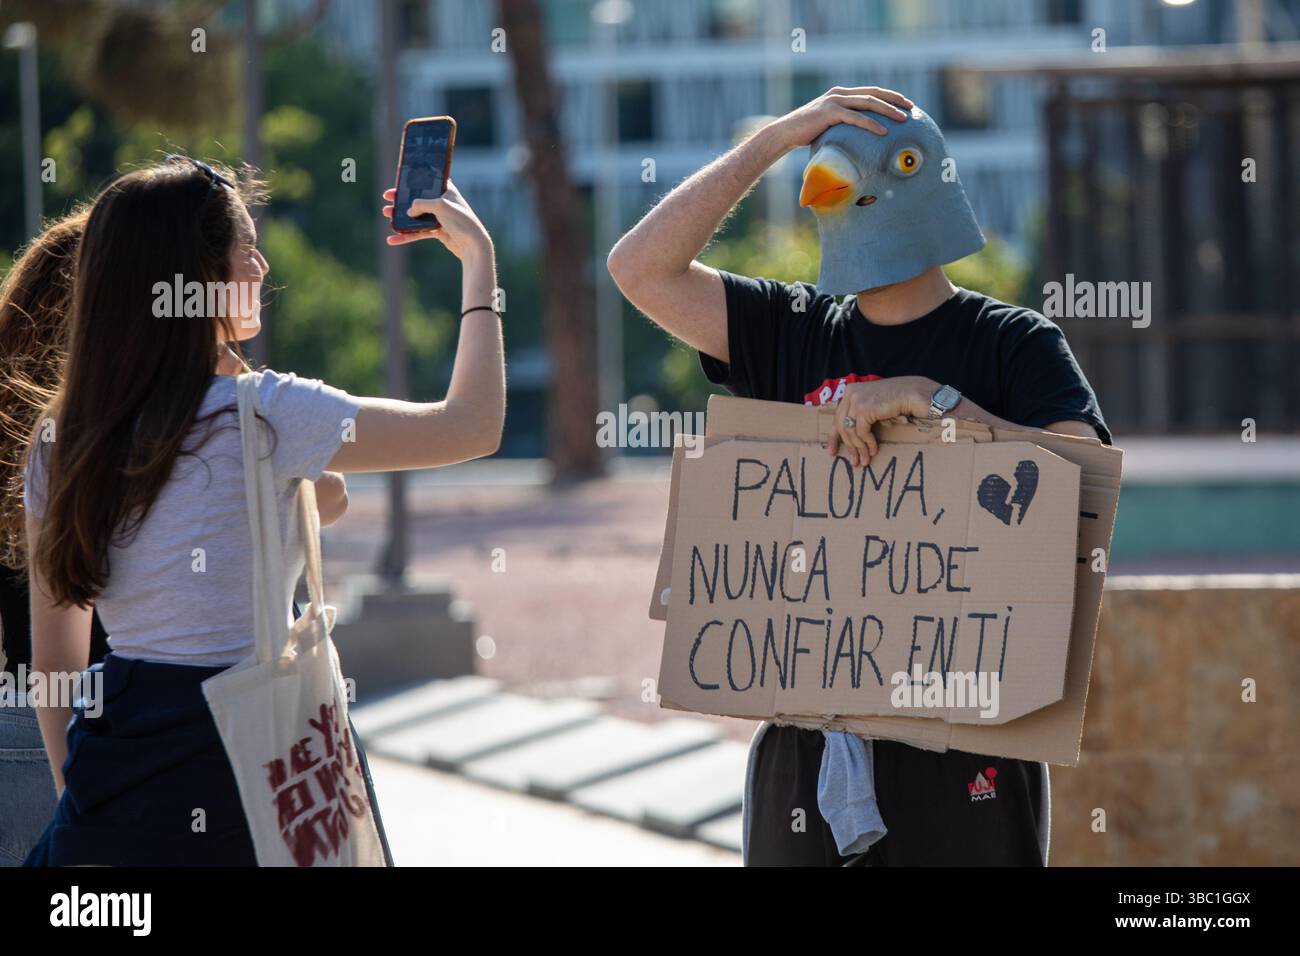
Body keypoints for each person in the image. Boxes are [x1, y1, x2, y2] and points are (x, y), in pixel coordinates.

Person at [608, 87, 1110, 866]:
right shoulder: (788, 332)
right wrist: (775, 141)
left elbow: (1084, 493)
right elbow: (638, 268)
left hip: (968, 758)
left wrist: (935, 404)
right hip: (806, 761)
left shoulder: (1015, 344)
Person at [22, 157, 503, 865]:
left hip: (116, 787)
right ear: (203, 276)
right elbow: (471, 426)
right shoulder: (268, 416)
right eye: (247, 246)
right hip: (253, 775)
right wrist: (479, 262)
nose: (263, 263)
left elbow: (55, 666)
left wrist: (89, 802)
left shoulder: (62, 439)